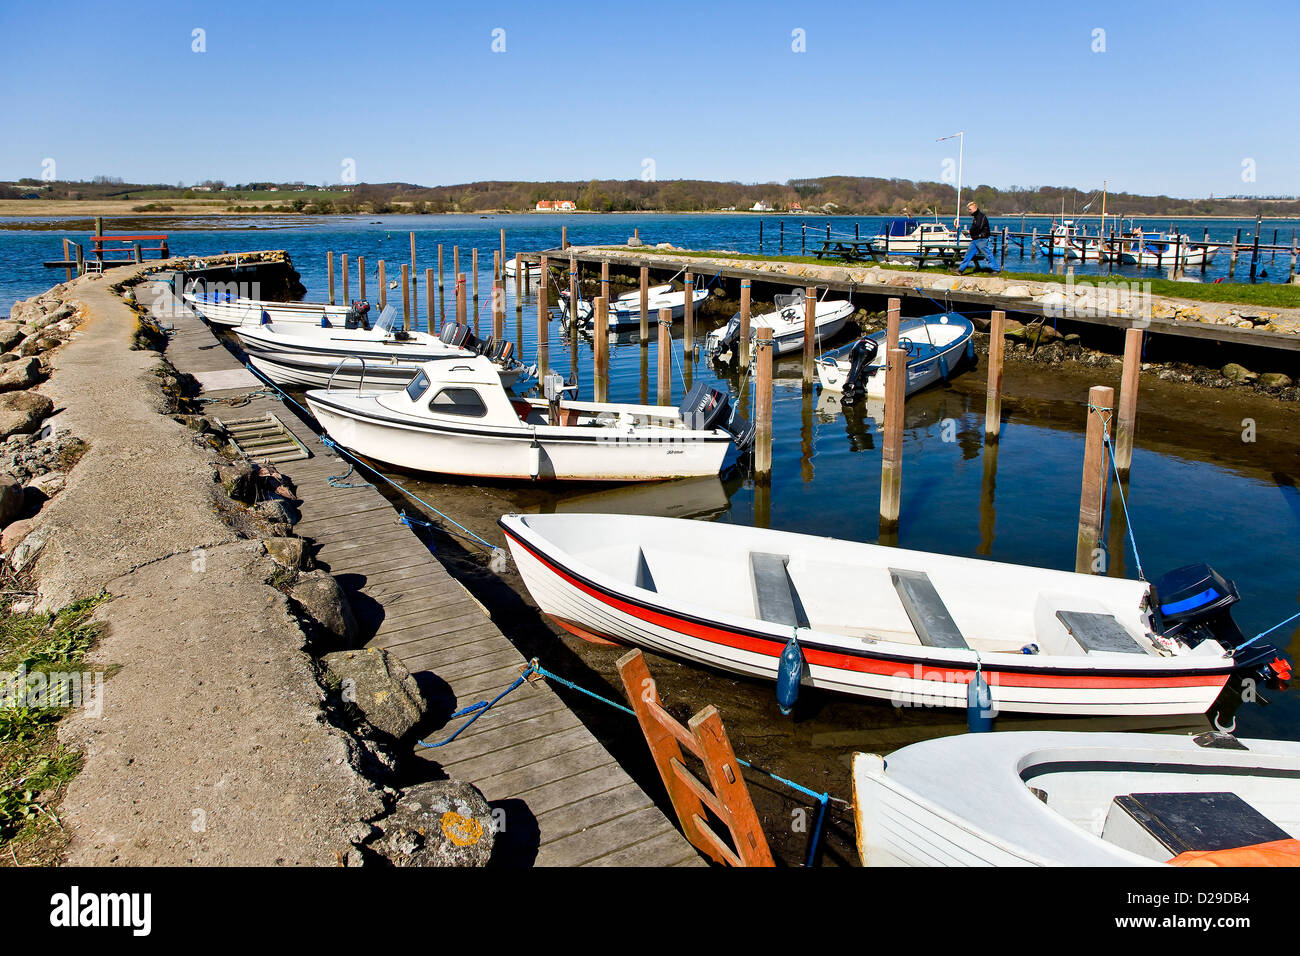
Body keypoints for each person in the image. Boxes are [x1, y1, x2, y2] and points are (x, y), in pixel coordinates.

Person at [956, 201, 1000, 274]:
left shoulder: (980, 216)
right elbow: (976, 227)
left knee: (987, 255)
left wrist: (970, 231)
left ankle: (996, 269)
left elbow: (978, 227)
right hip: (975, 239)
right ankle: (960, 270)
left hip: (981, 239)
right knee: (968, 255)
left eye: (970, 209)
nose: (969, 211)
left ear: (975, 208)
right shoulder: (976, 217)